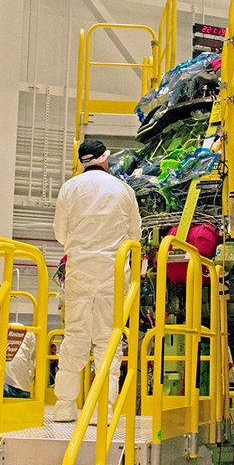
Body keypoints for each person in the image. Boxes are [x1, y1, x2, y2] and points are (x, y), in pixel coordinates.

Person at [52, 139, 141, 422]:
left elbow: (60, 232)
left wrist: (80, 247)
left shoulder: (69, 188)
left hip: (79, 269)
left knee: (75, 335)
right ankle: (103, 409)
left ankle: (65, 406)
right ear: (105, 159)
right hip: (113, 272)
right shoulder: (124, 190)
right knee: (108, 339)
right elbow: (134, 234)